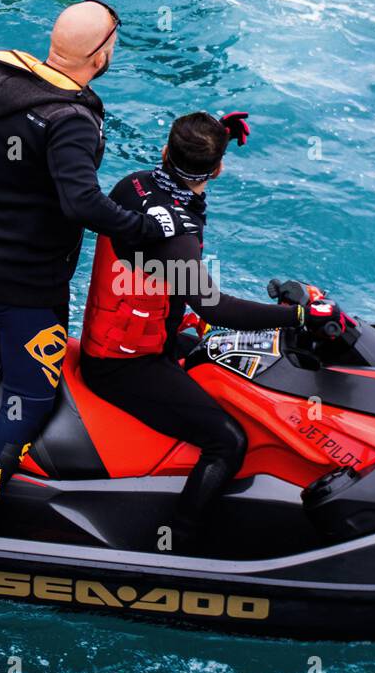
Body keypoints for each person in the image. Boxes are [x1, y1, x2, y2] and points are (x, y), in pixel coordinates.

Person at [0, 1, 190, 534]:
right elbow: (82, 204)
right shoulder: (69, 120)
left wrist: (4, 207)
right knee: (33, 399)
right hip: (31, 281)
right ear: (102, 53)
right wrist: (144, 229)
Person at [79, 111, 346, 553]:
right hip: (122, 365)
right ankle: (176, 543)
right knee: (227, 441)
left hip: (143, 339)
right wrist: (298, 317)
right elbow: (214, 306)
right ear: (218, 169)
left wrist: (209, 136)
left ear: (165, 153)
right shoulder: (176, 238)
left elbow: (167, 254)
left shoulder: (134, 184)